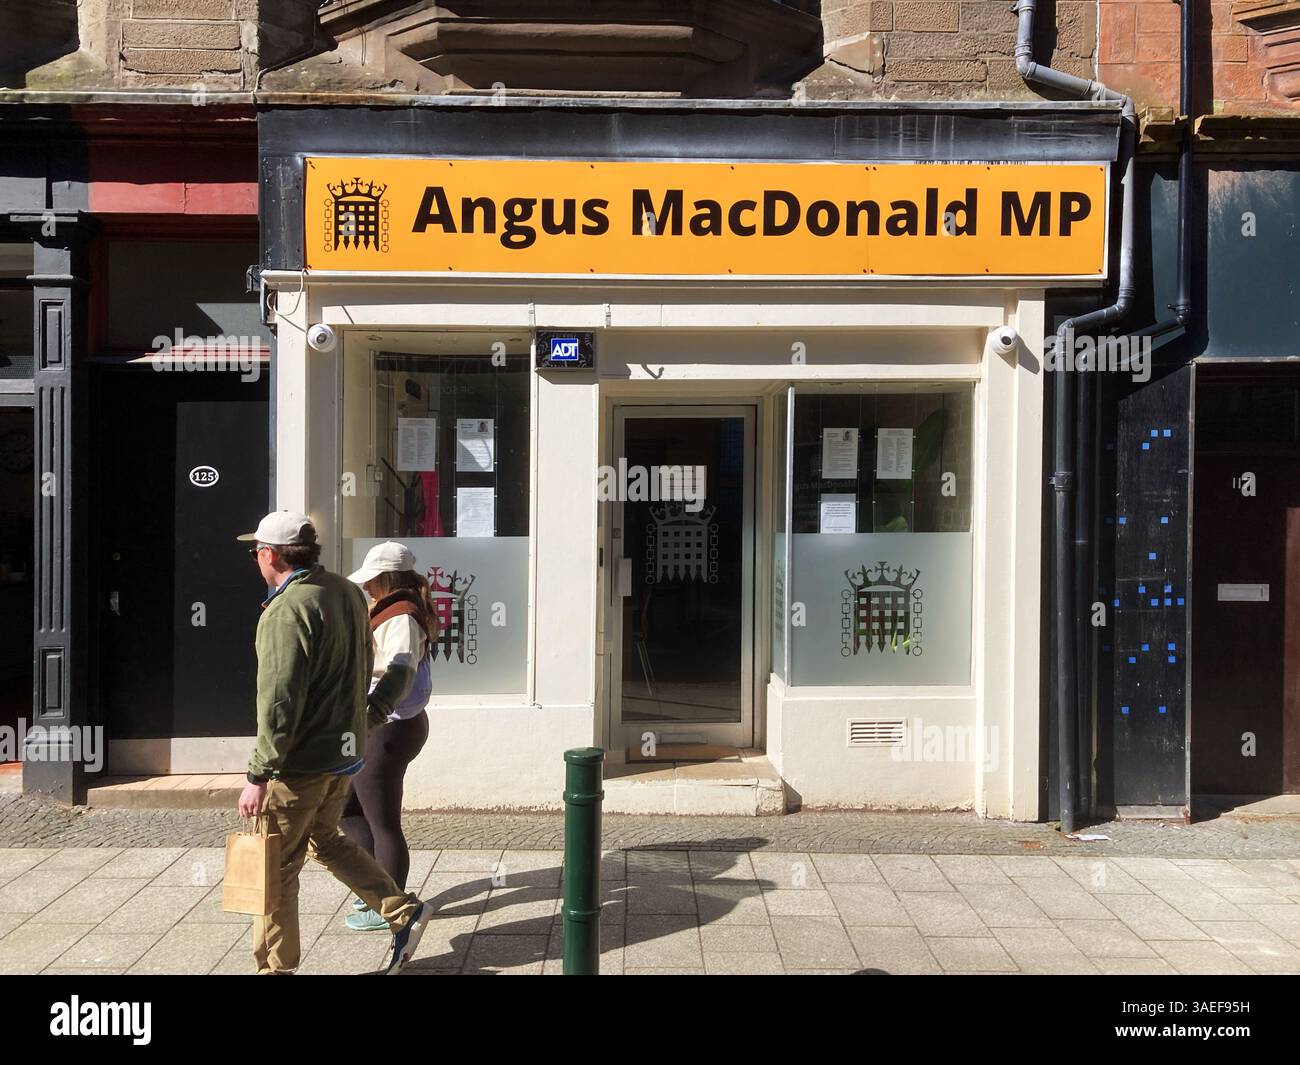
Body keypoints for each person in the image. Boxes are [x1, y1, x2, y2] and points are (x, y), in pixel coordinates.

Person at [235, 511, 433, 975]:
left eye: (255, 552)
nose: (255, 559)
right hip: (343, 755)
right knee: (325, 840)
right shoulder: (345, 591)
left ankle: (275, 970)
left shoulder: (286, 612)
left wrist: (258, 773)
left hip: (299, 763)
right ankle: (402, 910)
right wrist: (371, 716)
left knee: (275, 871)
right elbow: (389, 669)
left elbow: (279, 702)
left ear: (269, 554)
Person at [339, 541, 436, 931]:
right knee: (349, 810)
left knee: (382, 821)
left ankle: (391, 904)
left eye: (371, 580)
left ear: (386, 578)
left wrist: (371, 711)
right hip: (391, 724)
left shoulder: (401, 616)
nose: (366, 587)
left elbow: (400, 670)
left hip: (387, 727)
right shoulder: (403, 607)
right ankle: (376, 890)